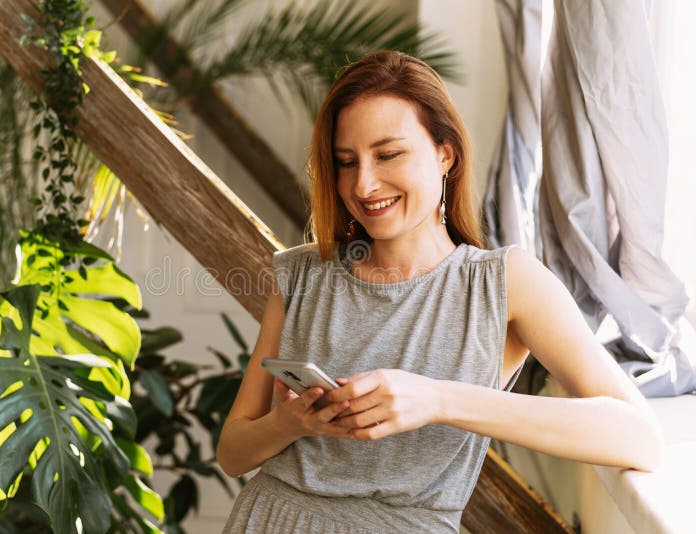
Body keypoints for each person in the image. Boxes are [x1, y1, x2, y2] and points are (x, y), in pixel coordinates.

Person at [216, 50, 662, 533]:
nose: (363, 184)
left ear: (444, 154)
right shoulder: (302, 274)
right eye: (346, 162)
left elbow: (638, 437)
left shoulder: (505, 282)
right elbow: (233, 454)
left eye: (388, 154)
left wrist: (437, 399)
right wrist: (292, 423)